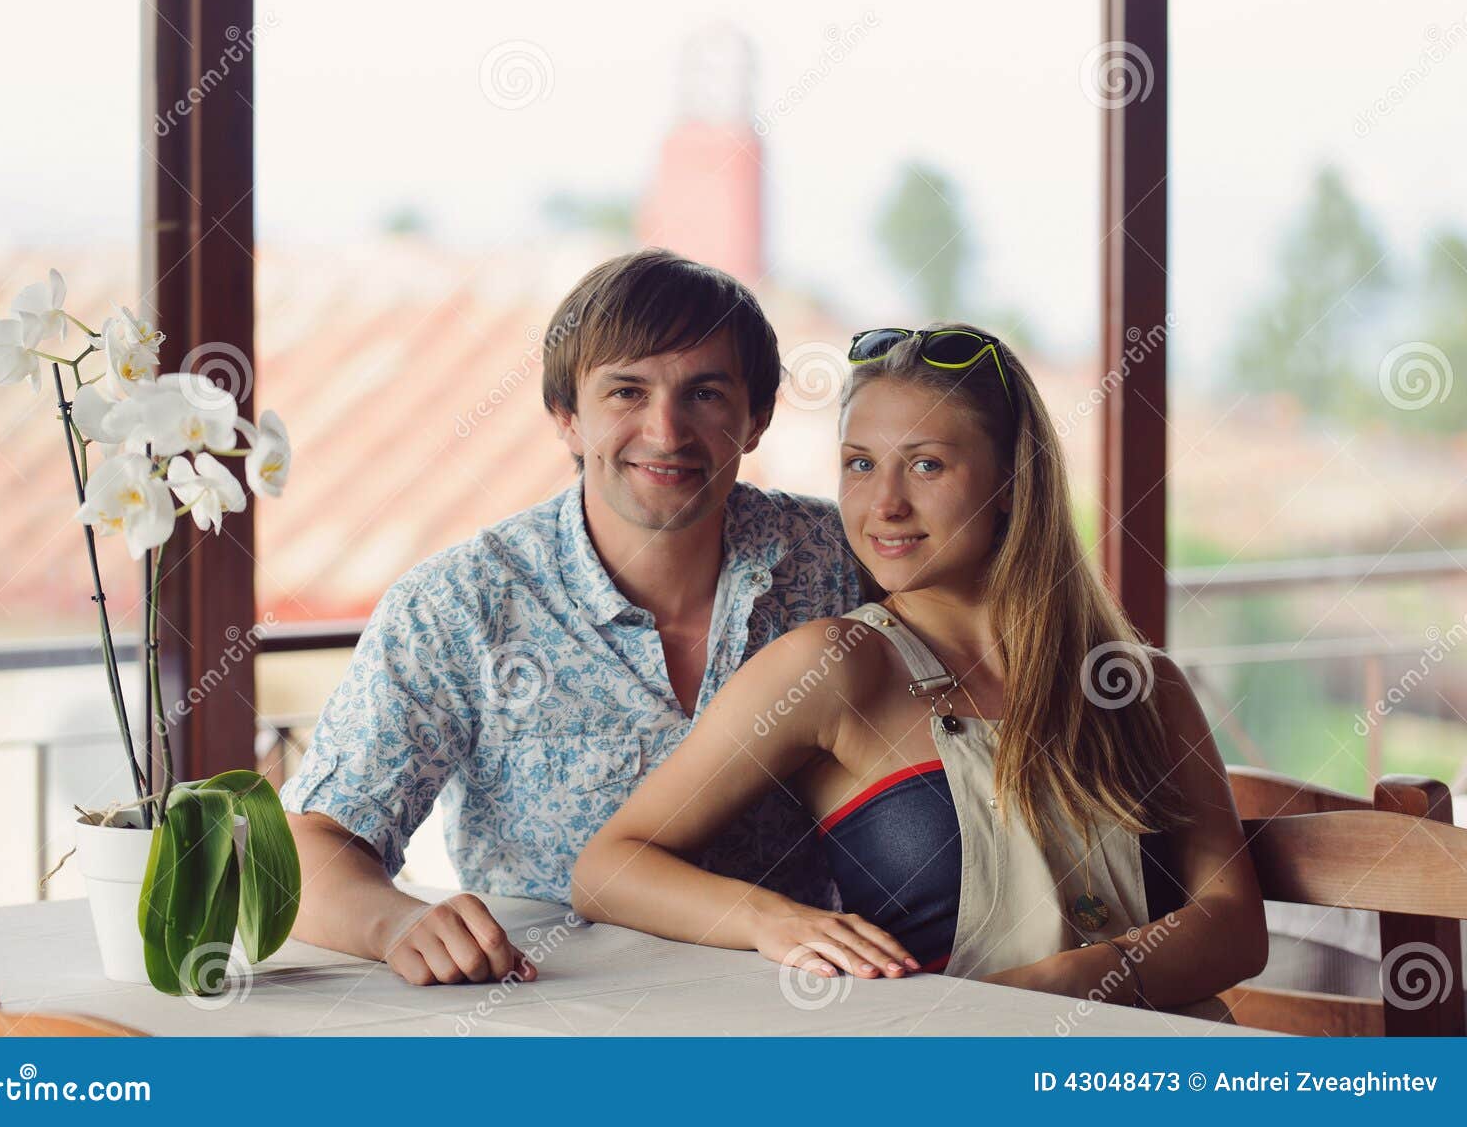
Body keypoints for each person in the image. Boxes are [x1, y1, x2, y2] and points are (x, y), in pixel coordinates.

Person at [572, 324, 1268, 1013]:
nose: (886, 504)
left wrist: (1056, 989)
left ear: (1009, 480)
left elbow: (1236, 927)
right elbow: (610, 868)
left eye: (927, 464)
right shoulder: (837, 668)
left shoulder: (1141, 684)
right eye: (860, 464)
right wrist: (770, 920)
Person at [279, 249, 864, 985]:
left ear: (757, 418)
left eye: (705, 395)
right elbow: (303, 848)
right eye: (626, 392)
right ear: (566, 417)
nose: (666, 431)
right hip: (550, 1029)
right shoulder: (459, 606)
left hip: (811, 1023)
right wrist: (393, 920)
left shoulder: (839, 564)